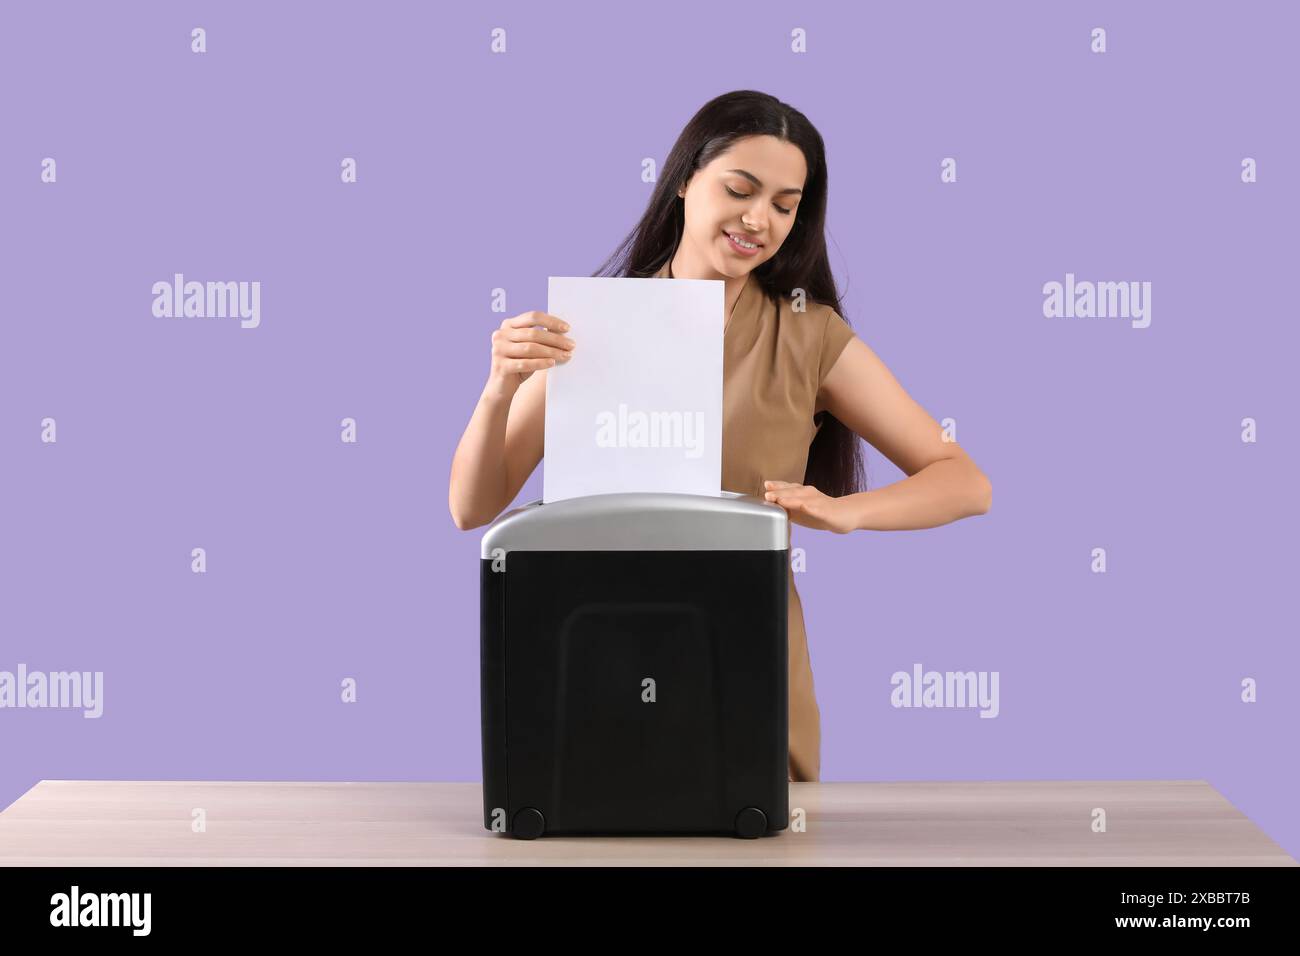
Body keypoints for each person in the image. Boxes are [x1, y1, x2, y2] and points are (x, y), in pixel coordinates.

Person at [448, 90, 992, 782]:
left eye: (785, 204)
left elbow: (966, 481)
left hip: (749, 658)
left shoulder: (808, 333)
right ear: (684, 181)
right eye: (741, 189)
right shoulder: (597, 328)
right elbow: (472, 507)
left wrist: (845, 511)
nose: (759, 219)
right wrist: (499, 386)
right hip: (601, 650)